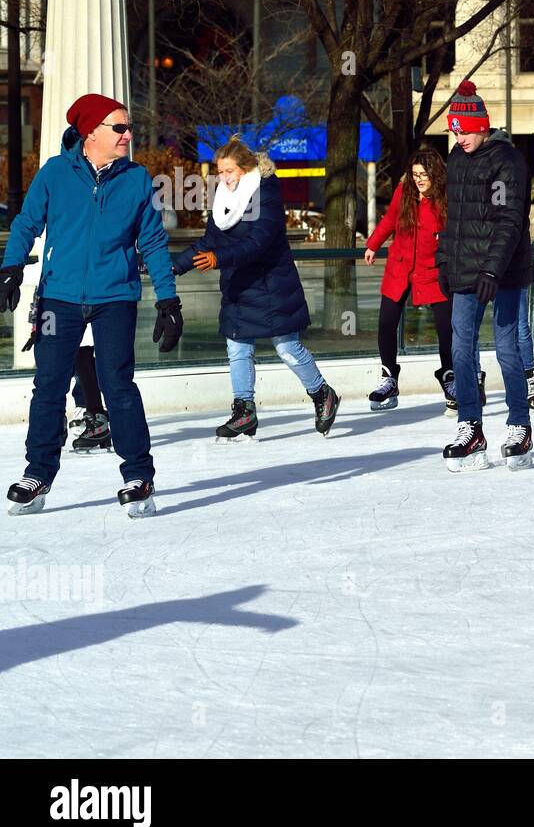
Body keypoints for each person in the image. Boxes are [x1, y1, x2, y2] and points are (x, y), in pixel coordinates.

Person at [1, 93, 182, 517]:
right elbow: (27, 222)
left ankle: (139, 476)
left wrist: (168, 299)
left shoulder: (136, 178)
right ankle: (37, 474)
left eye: (129, 127)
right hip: (57, 298)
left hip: (115, 297)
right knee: (48, 386)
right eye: (119, 128)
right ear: (91, 133)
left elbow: (153, 242)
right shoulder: (55, 174)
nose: (128, 135)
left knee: (118, 385)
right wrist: (11, 267)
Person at [174, 137, 339, 440]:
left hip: (271, 285)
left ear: (246, 168)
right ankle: (244, 411)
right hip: (239, 286)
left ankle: (322, 393)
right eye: (219, 172)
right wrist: (175, 265)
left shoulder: (267, 194)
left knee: (287, 348)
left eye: (229, 172)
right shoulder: (224, 199)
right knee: (237, 346)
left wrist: (218, 258)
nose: (223, 178)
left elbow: (257, 243)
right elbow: (209, 241)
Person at [437, 80, 534, 470]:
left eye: (464, 129)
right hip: (465, 270)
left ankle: (519, 424)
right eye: (454, 130)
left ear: (481, 125)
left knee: (507, 347)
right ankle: (470, 427)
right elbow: (453, 218)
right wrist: (444, 258)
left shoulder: (505, 161)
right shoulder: (457, 160)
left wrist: (493, 268)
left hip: (504, 271)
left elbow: (509, 220)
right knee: (461, 351)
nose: (459, 137)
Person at [363, 150, 451, 411]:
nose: (419, 180)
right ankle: (389, 376)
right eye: (414, 175)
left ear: (435, 174)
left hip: (432, 269)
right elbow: (390, 219)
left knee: (446, 328)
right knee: (386, 322)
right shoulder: (405, 192)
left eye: (423, 175)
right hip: (399, 266)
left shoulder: (446, 197)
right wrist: (373, 244)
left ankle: (449, 375)